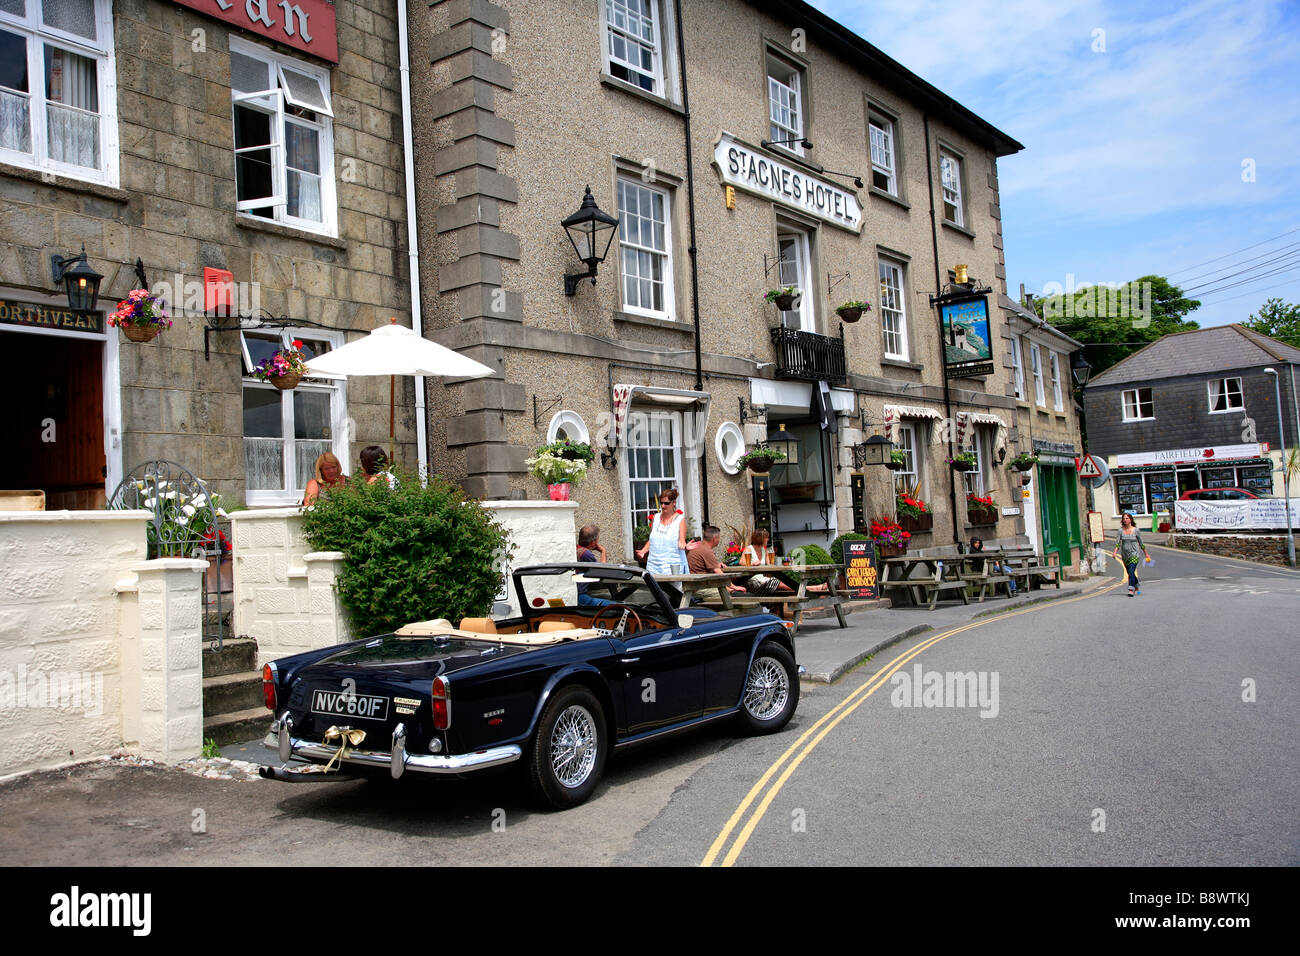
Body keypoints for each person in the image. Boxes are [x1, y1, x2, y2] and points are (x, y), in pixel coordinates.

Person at [637, 488, 688, 574]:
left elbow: (682, 542)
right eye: (661, 503)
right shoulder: (656, 518)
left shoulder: (680, 520)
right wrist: (643, 551)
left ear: (674, 503)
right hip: (653, 565)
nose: (663, 506)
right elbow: (652, 539)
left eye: (666, 503)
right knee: (653, 587)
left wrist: (685, 546)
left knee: (670, 588)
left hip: (671, 567)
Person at [687, 525, 746, 593]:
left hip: (695, 585)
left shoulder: (698, 546)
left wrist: (716, 564)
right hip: (701, 588)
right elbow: (719, 573)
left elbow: (701, 565)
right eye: (719, 537)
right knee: (736, 594)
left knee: (730, 591)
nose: (719, 540)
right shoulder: (706, 550)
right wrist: (733, 586)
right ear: (715, 539)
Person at [740, 529, 794, 594]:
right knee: (781, 584)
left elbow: (769, 566)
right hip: (752, 581)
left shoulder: (764, 550)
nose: (768, 539)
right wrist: (752, 564)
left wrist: (782, 562)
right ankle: (804, 589)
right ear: (760, 538)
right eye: (766, 538)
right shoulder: (749, 549)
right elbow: (741, 562)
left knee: (783, 581)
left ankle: (803, 589)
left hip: (763, 580)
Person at [1112, 512, 1151, 596]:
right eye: (1124, 518)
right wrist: (1115, 552)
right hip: (1125, 554)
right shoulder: (1120, 531)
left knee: (1131, 570)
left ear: (1130, 520)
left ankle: (1131, 589)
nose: (1125, 520)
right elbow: (1117, 543)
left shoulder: (1136, 530)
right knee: (1130, 572)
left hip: (1134, 553)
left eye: (1127, 518)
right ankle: (1136, 584)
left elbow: (1141, 543)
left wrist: (1146, 554)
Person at [576, 525, 613, 607]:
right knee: (615, 605)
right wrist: (603, 551)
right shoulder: (586, 553)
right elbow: (602, 570)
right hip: (581, 597)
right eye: (597, 539)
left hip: (577, 594)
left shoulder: (577, 549)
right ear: (593, 542)